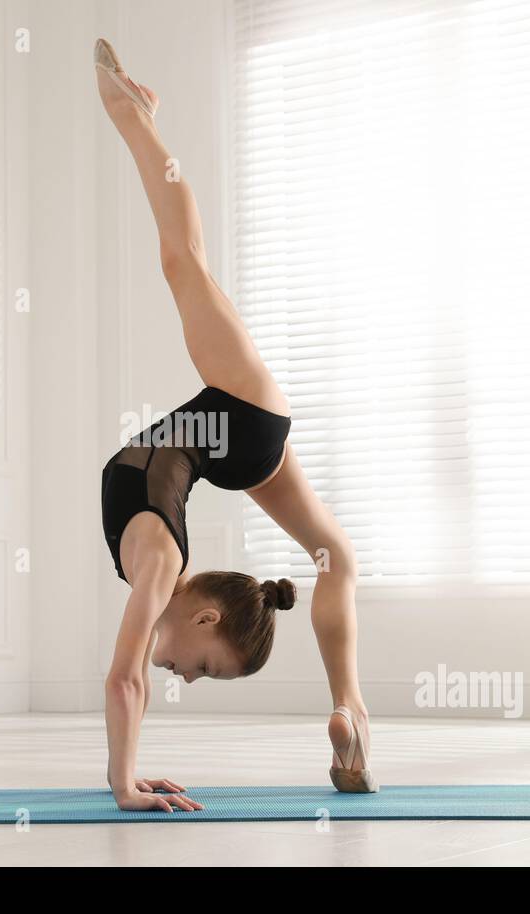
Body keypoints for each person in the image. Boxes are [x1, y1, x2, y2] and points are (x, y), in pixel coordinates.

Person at [95, 39, 376, 812]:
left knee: (338, 558)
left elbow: (131, 677)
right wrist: (124, 786)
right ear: (205, 615)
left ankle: (353, 715)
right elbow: (125, 677)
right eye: (208, 667)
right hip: (239, 415)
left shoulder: (161, 561)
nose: (187, 677)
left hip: (237, 438)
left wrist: (129, 771)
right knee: (184, 259)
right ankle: (133, 117)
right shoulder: (157, 561)